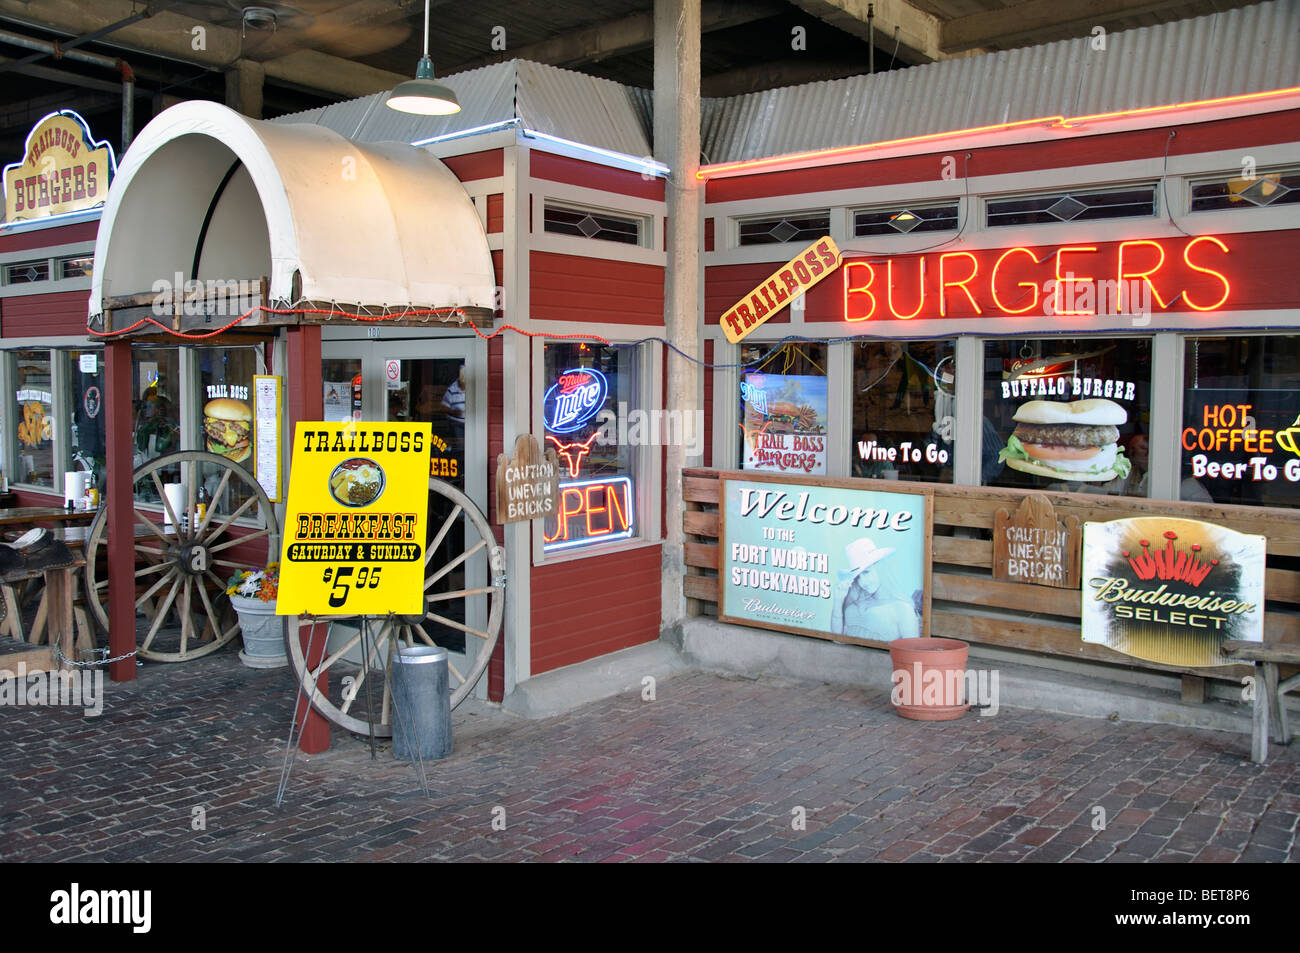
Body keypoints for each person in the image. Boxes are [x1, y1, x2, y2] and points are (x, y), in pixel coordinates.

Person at [830, 537, 920, 641]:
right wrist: (837, 600)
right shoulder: (852, 608)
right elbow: (837, 641)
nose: (862, 582)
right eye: (857, 577)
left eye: (866, 572)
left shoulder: (902, 609)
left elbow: (911, 653)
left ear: (880, 569)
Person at [441, 365, 466, 438]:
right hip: (456, 422)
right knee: (460, 445)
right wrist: (454, 412)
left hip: (473, 423)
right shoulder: (452, 389)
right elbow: (443, 407)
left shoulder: (474, 386)